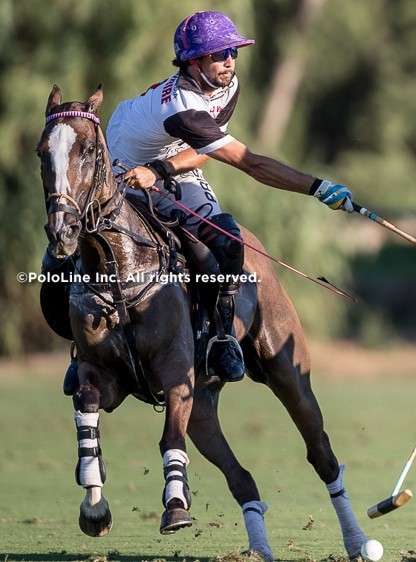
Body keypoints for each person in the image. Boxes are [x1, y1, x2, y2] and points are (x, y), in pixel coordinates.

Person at [60, 10, 357, 391]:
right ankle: (82, 350)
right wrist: (317, 187)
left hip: (167, 160)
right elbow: (252, 164)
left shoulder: (226, 86)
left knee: (228, 241)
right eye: (218, 54)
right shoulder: (181, 105)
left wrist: (164, 169)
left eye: (232, 51)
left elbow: (207, 148)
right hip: (124, 171)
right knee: (79, 249)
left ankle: (220, 336)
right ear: (192, 61)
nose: (229, 60)